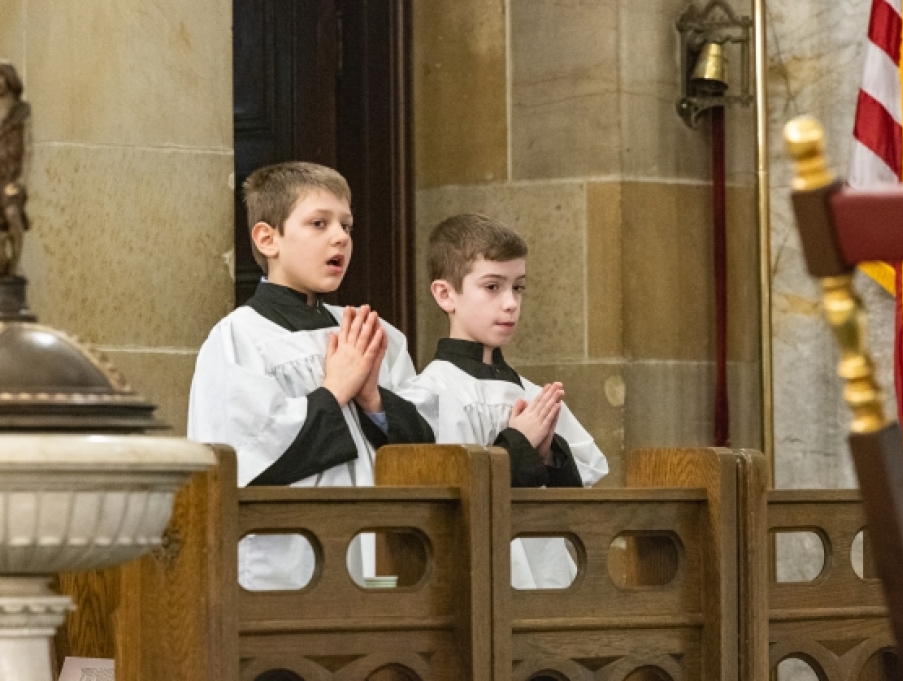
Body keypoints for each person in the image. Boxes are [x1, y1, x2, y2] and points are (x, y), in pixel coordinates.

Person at [188, 161, 433, 590]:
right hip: (290, 568)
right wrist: (335, 390)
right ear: (268, 239)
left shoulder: (372, 334)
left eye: (346, 225)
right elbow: (243, 459)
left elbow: (431, 446)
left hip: (383, 553)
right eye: (318, 223)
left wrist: (375, 400)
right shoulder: (239, 339)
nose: (340, 237)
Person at [398, 213, 608, 589]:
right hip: (472, 587)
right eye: (492, 287)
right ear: (445, 294)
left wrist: (550, 456)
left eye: (518, 287)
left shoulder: (532, 396)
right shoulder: (427, 397)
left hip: (551, 585)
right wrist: (515, 449)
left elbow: (580, 503)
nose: (510, 303)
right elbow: (440, 507)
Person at [0, 61, 30, 278]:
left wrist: (22, 181)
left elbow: (28, 149)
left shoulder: (21, 112)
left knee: (12, 213)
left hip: (12, 178)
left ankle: (16, 263)